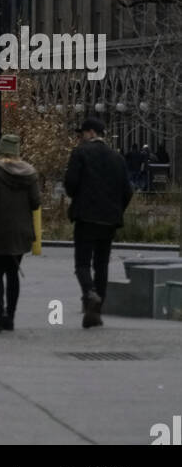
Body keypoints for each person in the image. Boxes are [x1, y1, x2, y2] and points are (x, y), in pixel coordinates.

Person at [64, 116, 132, 329]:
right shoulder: (117, 158)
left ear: (91, 133)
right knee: (102, 264)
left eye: (82, 133)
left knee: (82, 263)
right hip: (109, 220)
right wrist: (116, 210)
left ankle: (89, 292)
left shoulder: (80, 153)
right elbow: (127, 191)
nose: (81, 137)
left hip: (86, 217)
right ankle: (97, 311)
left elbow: (71, 185)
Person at [0, 133, 41, 333]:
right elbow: (35, 202)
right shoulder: (29, 173)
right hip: (21, 230)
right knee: (13, 273)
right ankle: (11, 317)